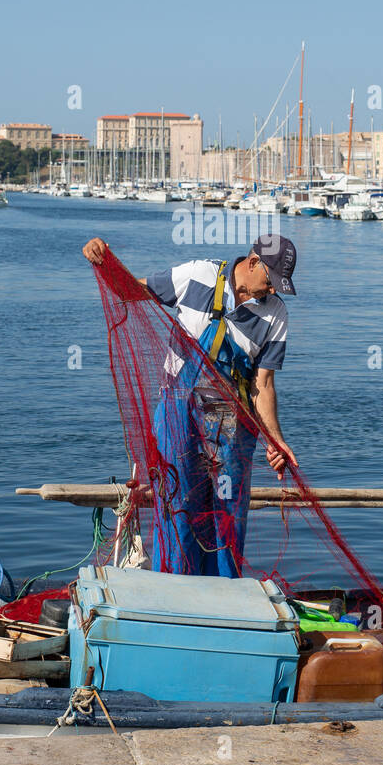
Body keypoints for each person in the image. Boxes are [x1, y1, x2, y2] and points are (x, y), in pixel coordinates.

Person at [82, 234, 298, 576]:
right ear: (254, 262)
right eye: (271, 283)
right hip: (179, 412)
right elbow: (130, 291)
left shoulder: (276, 314)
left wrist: (276, 439)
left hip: (231, 422)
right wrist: (103, 261)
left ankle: (223, 591)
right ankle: (178, 585)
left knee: (227, 510)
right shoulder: (198, 275)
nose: (272, 292)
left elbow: (263, 385)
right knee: (178, 501)